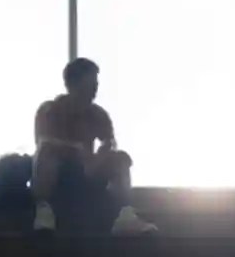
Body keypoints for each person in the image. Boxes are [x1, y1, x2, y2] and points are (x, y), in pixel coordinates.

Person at [32, 58, 157, 235]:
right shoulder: (50, 109)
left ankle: (125, 214)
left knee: (120, 158)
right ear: (73, 84)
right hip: (59, 176)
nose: (95, 89)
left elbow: (109, 143)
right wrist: (77, 151)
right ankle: (44, 210)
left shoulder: (98, 114)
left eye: (95, 84)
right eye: (90, 84)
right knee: (47, 154)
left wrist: (101, 156)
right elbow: (43, 142)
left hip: (88, 173)